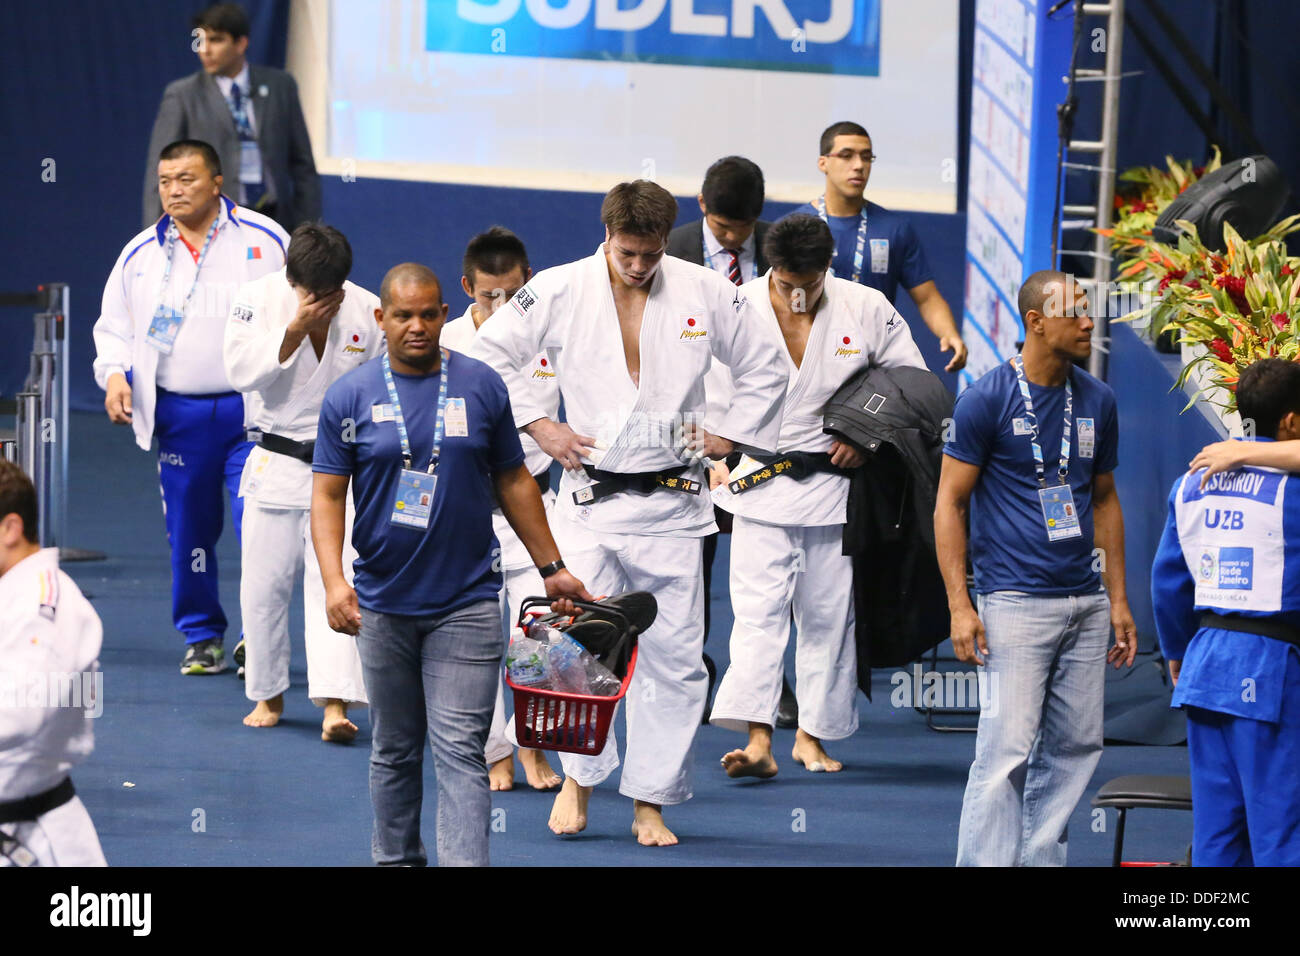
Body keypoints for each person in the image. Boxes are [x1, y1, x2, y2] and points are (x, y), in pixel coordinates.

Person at [473, 181, 789, 846]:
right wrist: (538, 423)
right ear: (606, 233)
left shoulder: (706, 290)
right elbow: (485, 354)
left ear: (664, 242)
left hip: (674, 505)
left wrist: (728, 432)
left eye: (649, 254)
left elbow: (767, 366)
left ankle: (651, 799)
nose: (639, 265)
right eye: (627, 252)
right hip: (586, 502)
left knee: (675, 662)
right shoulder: (558, 288)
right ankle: (578, 780)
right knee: (563, 648)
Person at [311, 263, 590, 867]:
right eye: (403, 315)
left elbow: (515, 479)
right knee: (394, 748)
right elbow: (329, 493)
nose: (417, 326)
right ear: (380, 319)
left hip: (466, 602)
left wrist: (552, 567)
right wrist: (334, 581)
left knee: (461, 749)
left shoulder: (483, 384)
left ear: (445, 314)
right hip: (382, 603)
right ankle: (397, 860)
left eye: (429, 314)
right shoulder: (349, 396)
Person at [709, 214, 928, 778]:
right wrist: (712, 458)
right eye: (785, 283)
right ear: (767, 268)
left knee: (827, 616)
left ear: (828, 265)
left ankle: (810, 734)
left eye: (807, 281)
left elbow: (913, 382)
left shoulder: (866, 306)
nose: (797, 293)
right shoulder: (736, 306)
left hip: (834, 489)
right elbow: (706, 387)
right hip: (759, 482)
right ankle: (759, 739)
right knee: (758, 615)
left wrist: (866, 434)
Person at [934, 269, 1137, 866]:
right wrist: (959, 604)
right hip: (1013, 602)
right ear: (1035, 322)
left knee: (1075, 749)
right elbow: (949, 502)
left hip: (1085, 601)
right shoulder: (986, 398)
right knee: (1005, 754)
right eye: (1074, 311)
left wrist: (1118, 599)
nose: (1088, 321)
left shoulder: (1098, 399)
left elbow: (1104, 500)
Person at [95, 138, 289, 675]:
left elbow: (301, 309)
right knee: (190, 532)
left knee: (261, 526)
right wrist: (114, 374)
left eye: (186, 179)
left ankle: (259, 638)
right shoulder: (140, 253)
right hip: (179, 418)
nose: (174, 190)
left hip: (252, 414)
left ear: (217, 181)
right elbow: (113, 329)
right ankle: (202, 635)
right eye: (165, 181)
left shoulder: (266, 239)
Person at [223, 223, 377, 740]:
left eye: (328, 292)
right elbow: (240, 372)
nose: (318, 300)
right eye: (308, 290)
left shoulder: (365, 308)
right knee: (263, 587)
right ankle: (267, 694)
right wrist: (291, 330)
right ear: (291, 278)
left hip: (341, 472)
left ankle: (336, 703)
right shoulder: (256, 299)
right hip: (275, 460)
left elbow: (381, 389)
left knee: (335, 585)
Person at [666, 156, 798, 726]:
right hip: (690, 433)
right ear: (702, 207)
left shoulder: (780, 249)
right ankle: (690, 673)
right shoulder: (666, 251)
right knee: (692, 563)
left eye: (743, 228)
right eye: (723, 227)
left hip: (760, 432)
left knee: (765, 572)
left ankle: (765, 682)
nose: (734, 237)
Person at [1152, 358, 1300, 866]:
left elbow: (1167, 579)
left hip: (1205, 665)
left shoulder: (1190, 483)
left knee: (1217, 834)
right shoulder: (1295, 488)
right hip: (1272, 668)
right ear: (1293, 422)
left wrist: (1176, 651)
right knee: (1281, 832)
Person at [441, 226, 561, 791]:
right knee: (478, 640)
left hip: (533, 503)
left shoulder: (551, 340)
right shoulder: (442, 344)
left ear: (529, 283)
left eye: (512, 294)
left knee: (537, 636)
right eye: (488, 295)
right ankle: (495, 753)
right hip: (465, 511)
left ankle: (534, 745)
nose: (501, 305)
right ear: (468, 287)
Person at [791, 121, 967, 373]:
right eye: (846, 155)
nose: (859, 165)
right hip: (809, 360)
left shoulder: (894, 229)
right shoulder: (795, 227)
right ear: (823, 163)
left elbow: (927, 298)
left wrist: (949, 333)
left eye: (866, 157)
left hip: (872, 365)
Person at [0, 462, 107, 867]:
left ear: (11, 528)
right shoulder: (11, 590)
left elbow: (17, 714)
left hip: (30, 840)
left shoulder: (45, 605)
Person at [143, 2, 321, 231]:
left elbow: (303, 165)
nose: (204, 50)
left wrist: (308, 227)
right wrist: (154, 231)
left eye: (216, 40)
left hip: (274, 216)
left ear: (241, 43)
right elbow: (159, 169)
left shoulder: (280, 86)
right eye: (200, 41)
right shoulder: (183, 95)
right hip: (213, 221)